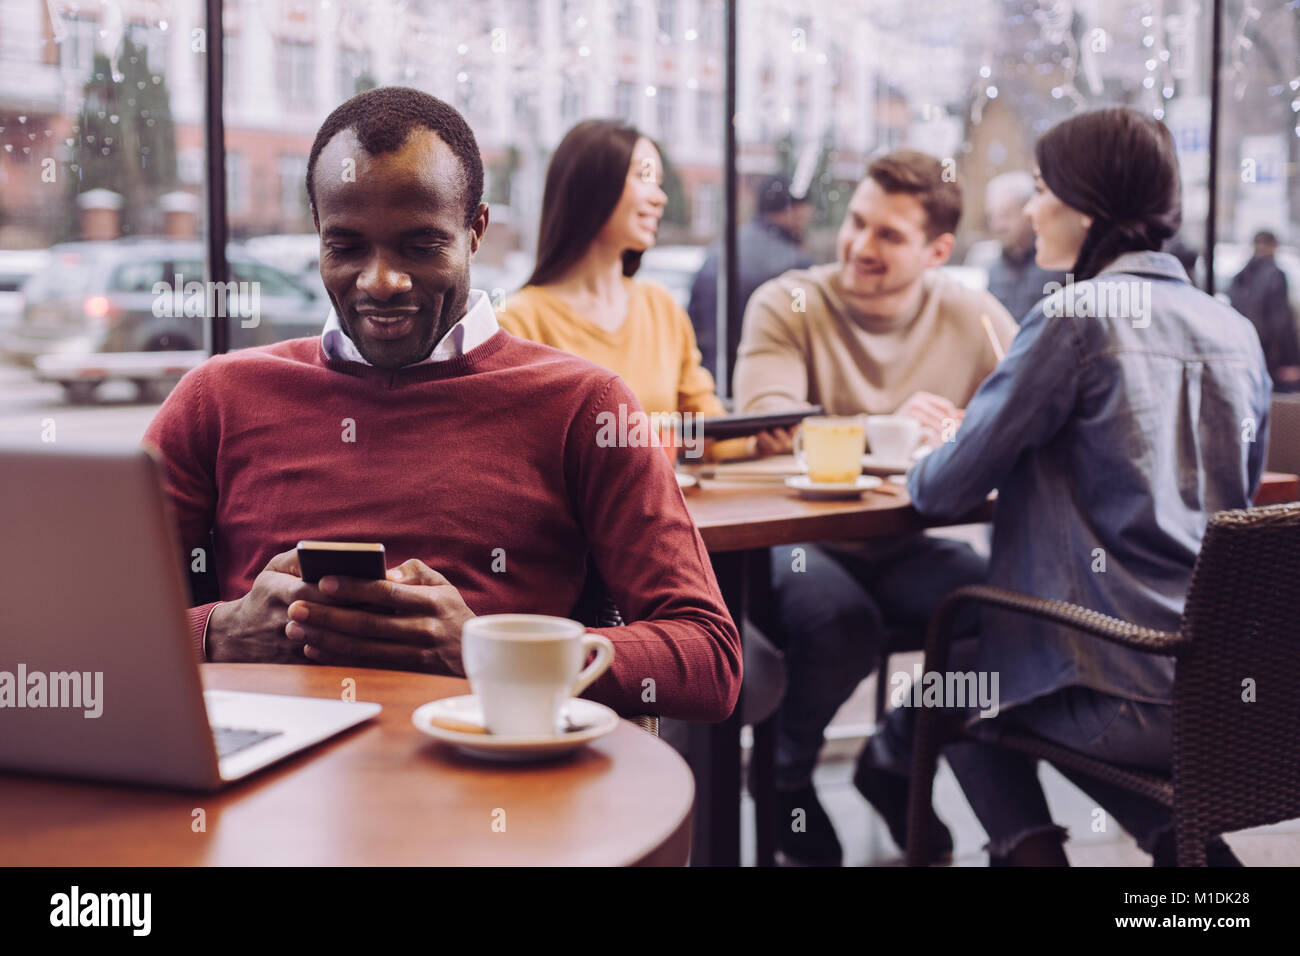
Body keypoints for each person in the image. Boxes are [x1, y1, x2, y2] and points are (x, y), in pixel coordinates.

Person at [141, 88, 741, 723]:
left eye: (420, 246)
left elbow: (709, 660)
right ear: (317, 232)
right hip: (265, 791)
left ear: (475, 231)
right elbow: (74, 631)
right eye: (346, 247)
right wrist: (219, 635)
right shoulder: (219, 398)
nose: (381, 281)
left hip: (493, 787)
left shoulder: (584, 406)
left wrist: (490, 652)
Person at [859, 107, 1271, 866]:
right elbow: (1238, 504)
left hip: (1119, 683)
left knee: (955, 679)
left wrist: (938, 442)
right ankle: (1185, 855)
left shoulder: (1073, 319)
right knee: (990, 669)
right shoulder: (1234, 331)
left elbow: (943, 492)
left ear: (1085, 207)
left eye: (1043, 189)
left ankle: (1031, 853)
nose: (1029, 207)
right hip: (1222, 690)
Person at [731, 150, 1019, 866]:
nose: (860, 245)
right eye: (857, 222)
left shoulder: (973, 313)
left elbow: (1026, 422)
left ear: (937, 250)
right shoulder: (787, 300)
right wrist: (893, 425)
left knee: (1002, 618)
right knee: (838, 622)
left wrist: (973, 431)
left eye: (889, 235)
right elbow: (770, 428)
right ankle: (786, 775)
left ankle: (893, 756)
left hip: (904, 540)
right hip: (800, 539)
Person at [498, 119, 770, 462]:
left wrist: (757, 442)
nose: (660, 198)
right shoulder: (519, 322)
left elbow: (702, 429)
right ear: (593, 188)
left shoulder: (660, 308)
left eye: (658, 183)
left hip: (660, 512)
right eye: (644, 178)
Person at [687, 175, 815, 390]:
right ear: (796, 209)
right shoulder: (796, 264)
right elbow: (802, 333)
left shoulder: (720, 251)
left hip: (710, 384)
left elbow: (694, 325)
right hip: (765, 385)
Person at [982, 171, 1066, 322]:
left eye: (1006, 215)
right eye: (992, 217)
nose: (997, 226)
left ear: (1029, 213)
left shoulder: (1056, 266)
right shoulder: (994, 271)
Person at [1228, 230, 1300, 391]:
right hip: (1268, 353)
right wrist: (1292, 359)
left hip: (1242, 349)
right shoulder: (1276, 275)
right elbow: (1280, 320)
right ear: (1274, 247)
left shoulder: (1239, 276)